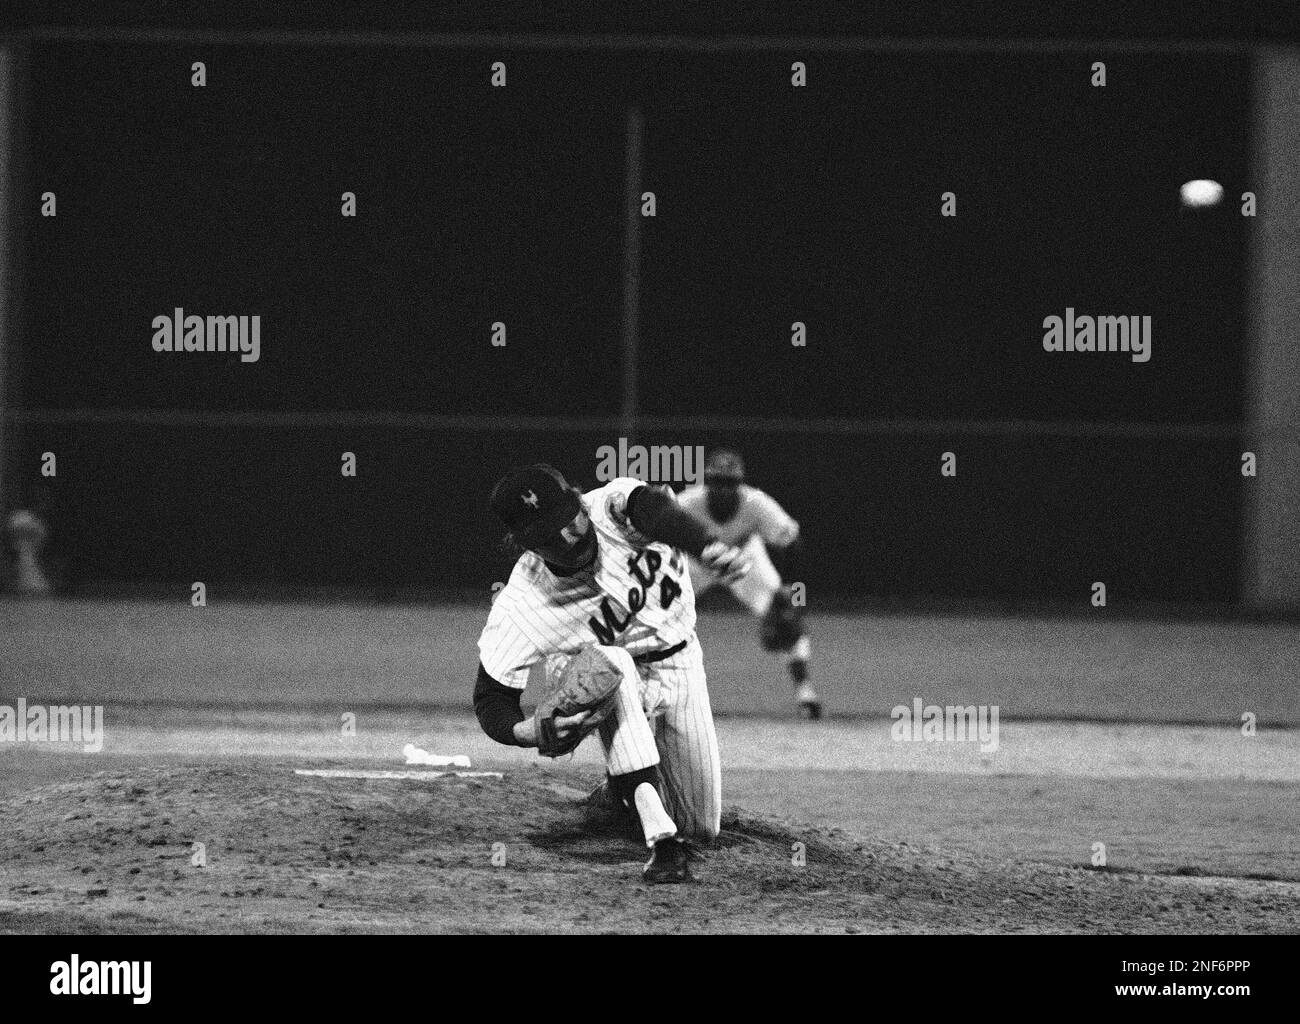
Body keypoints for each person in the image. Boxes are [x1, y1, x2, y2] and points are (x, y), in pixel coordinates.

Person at [472, 463, 748, 883]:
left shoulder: (615, 507)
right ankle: (662, 842)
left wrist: (704, 544)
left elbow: (651, 508)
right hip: (602, 678)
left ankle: (618, 789)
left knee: (702, 827)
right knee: (609, 662)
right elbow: (491, 698)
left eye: (572, 517)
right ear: (525, 545)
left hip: (681, 662)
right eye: (550, 533)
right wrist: (526, 732)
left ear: (581, 500)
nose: (571, 534)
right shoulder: (522, 605)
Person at [677, 449, 820, 718]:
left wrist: (794, 596)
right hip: (698, 560)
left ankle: (806, 693)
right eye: (717, 482)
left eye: (729, 483)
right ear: (707, 481)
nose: (723, 489)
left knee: (788, 617)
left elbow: (793, 545)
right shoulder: (687, 503)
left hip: (744, 559)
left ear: (739, 483)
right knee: (660, 615)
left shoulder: (756, 503)